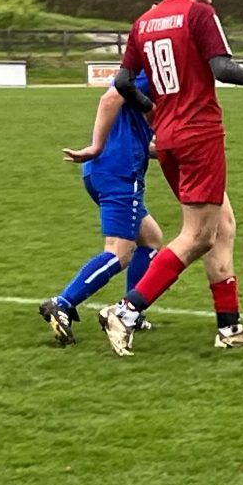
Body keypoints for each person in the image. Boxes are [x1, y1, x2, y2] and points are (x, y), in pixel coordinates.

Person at [95, 0, 243, 356]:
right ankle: (126, 311)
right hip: (199, 135)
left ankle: (230, 327)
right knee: (198, 236)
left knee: (223, 226)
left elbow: (125, 82)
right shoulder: (200, 14)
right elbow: (224, 69)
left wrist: (155, 109)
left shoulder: (144, 22)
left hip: (167, 139)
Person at [37, 74, 163, 345]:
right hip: (120, 171)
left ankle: (131, 312)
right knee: (119, 252)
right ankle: (62, 303)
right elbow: (110, 97)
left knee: (151, 238)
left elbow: (141, 138)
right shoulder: (146, 73)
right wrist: (96, 146)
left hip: (104, 169)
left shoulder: (145, 75)